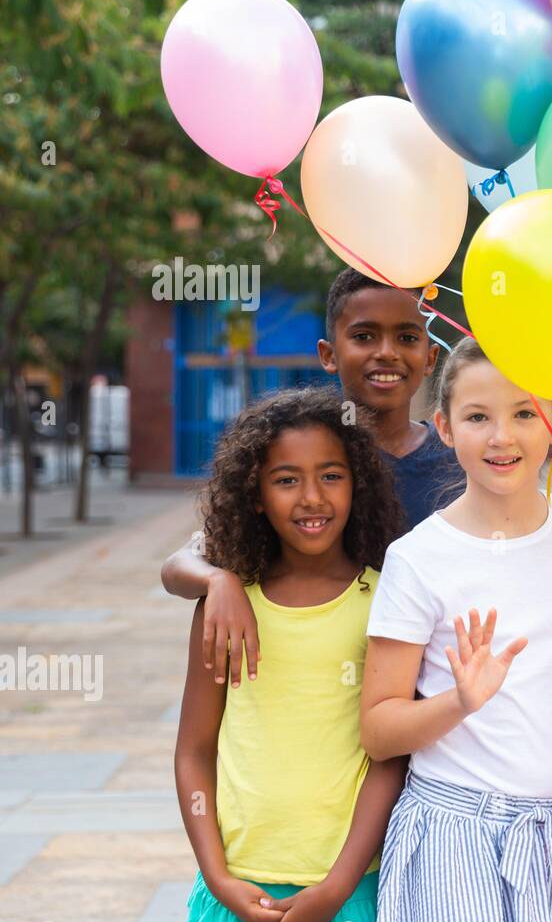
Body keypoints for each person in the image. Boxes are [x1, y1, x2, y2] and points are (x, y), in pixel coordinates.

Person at [359, 337, 552, 922]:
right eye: (476, 417)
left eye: (524, 412)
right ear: (443, 426)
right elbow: (379, 728)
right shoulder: (416, 558)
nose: (502, 437)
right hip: (455, 837)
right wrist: (459, 702)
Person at [174, 387, 407, 922]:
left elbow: (388, 758)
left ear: (359, 484)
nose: (311, 498)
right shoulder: (226, 607)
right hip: (236, 893)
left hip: (348, 895)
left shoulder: (385, 602)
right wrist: (218, 877)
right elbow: (193, 751)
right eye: (285, 480)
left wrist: (337, 886)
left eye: (331, 475)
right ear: (254, 494)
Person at [160, 269, 460, 687]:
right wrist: (217, 578)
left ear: (430, 358)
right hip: (326, 696)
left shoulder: (458, 467)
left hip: (436, 704)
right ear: (328, 354)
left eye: (407, 338)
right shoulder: (309, 462)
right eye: (364, 336)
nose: (387, 352)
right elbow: (180, 565)